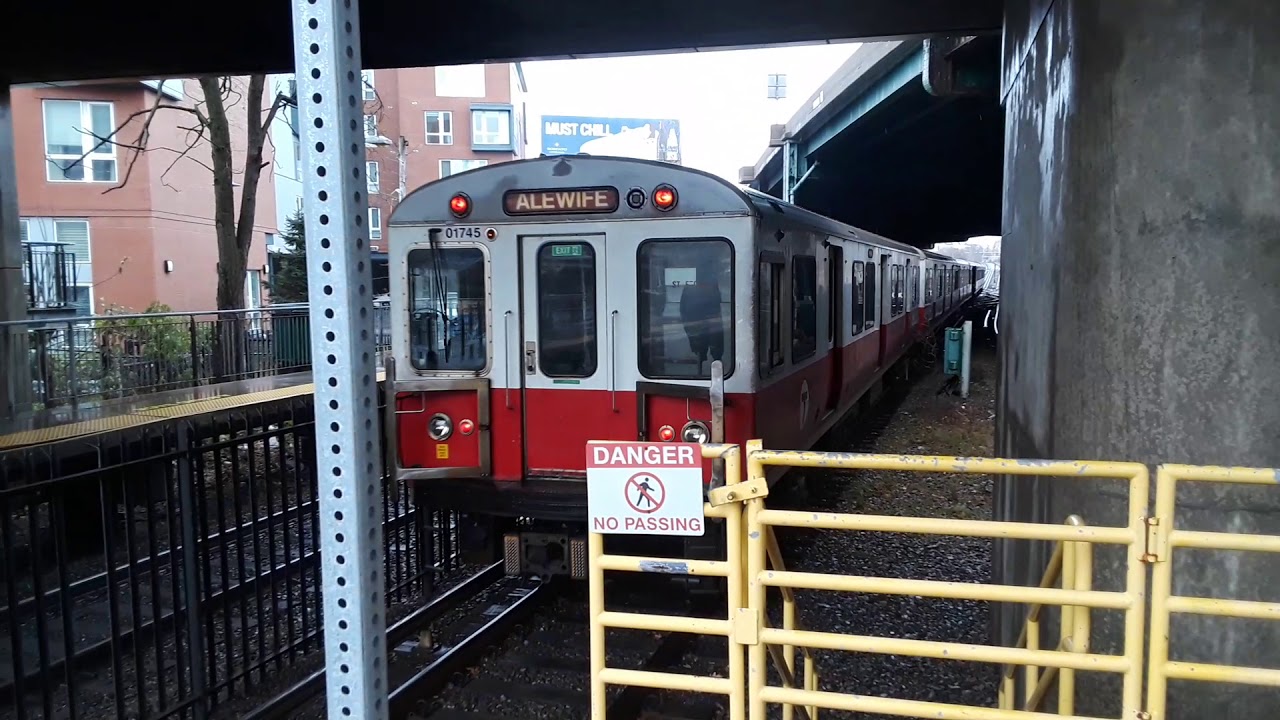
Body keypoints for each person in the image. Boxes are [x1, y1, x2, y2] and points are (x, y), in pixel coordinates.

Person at [678, 263, 725, 374]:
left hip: (697, 320)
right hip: (706, 320)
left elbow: (683, 307)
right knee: (713, 347)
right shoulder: (710, 284)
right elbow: (717, 300)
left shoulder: (690, 286)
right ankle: (714, 366)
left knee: (702, 347)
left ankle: (703, 366)